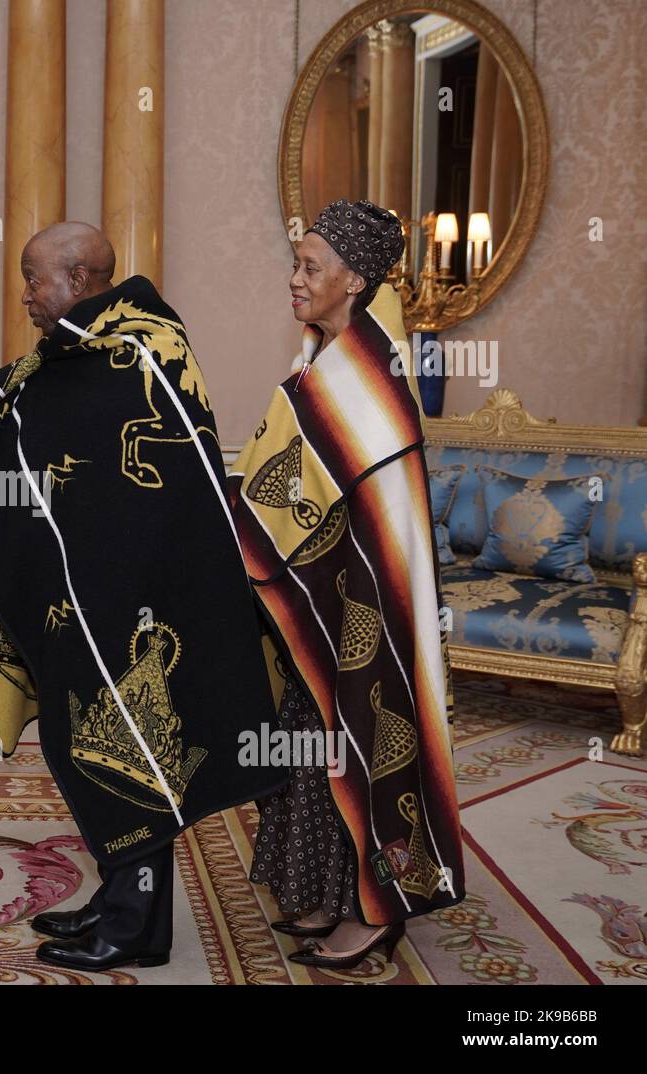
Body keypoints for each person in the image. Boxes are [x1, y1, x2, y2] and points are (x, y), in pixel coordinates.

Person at [0, 222, 286, 971]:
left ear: (77, 279)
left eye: (33, 278)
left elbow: (154, 476)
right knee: (86, 742)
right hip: (91, 594)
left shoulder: (135, 350)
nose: (26, 294)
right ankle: (123, 900)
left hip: (146, 599)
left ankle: (137, 925)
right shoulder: (76, 352)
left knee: (133, 749)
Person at [229, 199, 465, 968]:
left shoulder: (368, 372)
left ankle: (379, 908)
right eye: (295, 263)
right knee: (313, 732)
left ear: (356, 279)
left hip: (366, 599)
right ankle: (334, 893)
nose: (295, 279)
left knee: (365, 736)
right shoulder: (321, 357)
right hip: (322, 594)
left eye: (311, 267)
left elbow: (327, 493)